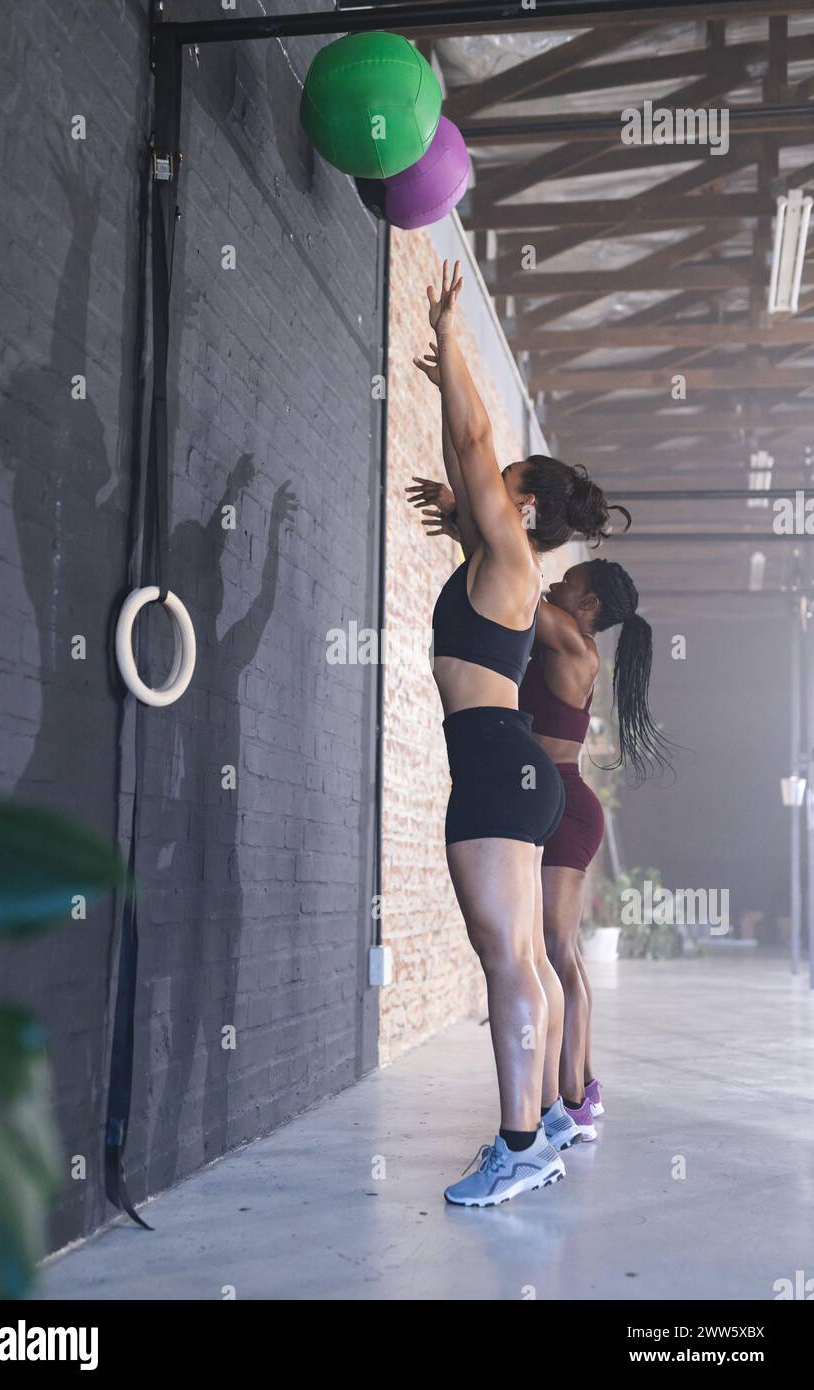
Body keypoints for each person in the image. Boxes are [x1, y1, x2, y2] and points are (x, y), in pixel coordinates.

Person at [416, 263, 622, 1207]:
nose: (487, 488)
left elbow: (471, 437)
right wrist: (459, 501)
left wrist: (451, 336)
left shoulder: (507, 556)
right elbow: (465, 463)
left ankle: (518, 1143)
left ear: (524, 508)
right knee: (528, 959)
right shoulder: (496, 562)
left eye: (503, 489)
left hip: (498, 769)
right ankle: (535, 1128)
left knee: (509, 960)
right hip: (514, 772)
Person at [411, 470, 672, 1150]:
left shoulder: (572, 642)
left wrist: (462, 514)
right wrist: (465, 524)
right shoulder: (561, 630)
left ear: (585, 608)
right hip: (548, 794)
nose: (557, 582)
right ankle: (567, 1097)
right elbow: (501, 578)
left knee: (555, 950)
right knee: (550, 954)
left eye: (570, 586)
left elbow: (515, 576)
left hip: (558, 800)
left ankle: (575, 1096)